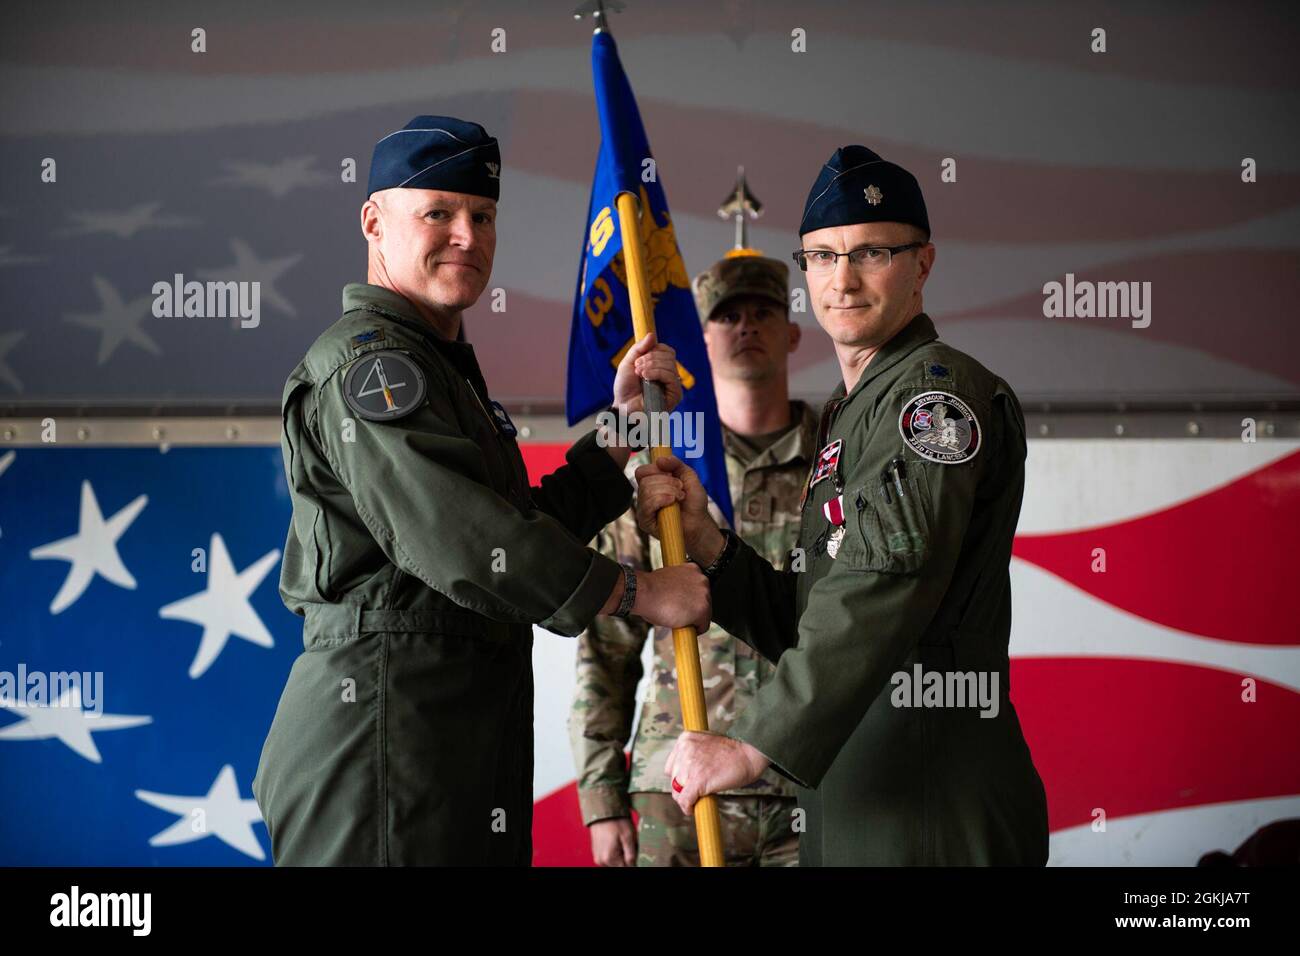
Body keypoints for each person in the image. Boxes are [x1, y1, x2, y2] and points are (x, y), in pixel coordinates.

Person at [251, 115, 710, 866]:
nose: (467, 233)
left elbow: (512, 524)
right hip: (384, 737)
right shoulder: (370, 367)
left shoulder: (438, 367)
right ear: (374, 222)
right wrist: (639, 593)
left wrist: (619, 440)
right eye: (438, 212)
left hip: (447, 739)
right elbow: (467, 538)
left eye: (484, 215)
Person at [634, 145, 1049, 866]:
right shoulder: (854, 410)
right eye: (822, 259)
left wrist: (753, 741)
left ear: (922, 263)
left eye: (871, 254)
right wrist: (708, 545)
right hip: (859, 788)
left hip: (927, 799)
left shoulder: (932, 399)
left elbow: (879, 586)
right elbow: (816, 614)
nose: (843, 281)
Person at [570, 250, 817, 866]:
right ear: (701, 337)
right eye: (727, 315)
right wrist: (601, 797)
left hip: (806, 780)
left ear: (792, 333)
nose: (745, 326)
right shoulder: (665, 470)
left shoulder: (834, 463)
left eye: (763, 312)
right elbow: (606, 642)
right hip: (676, 790)